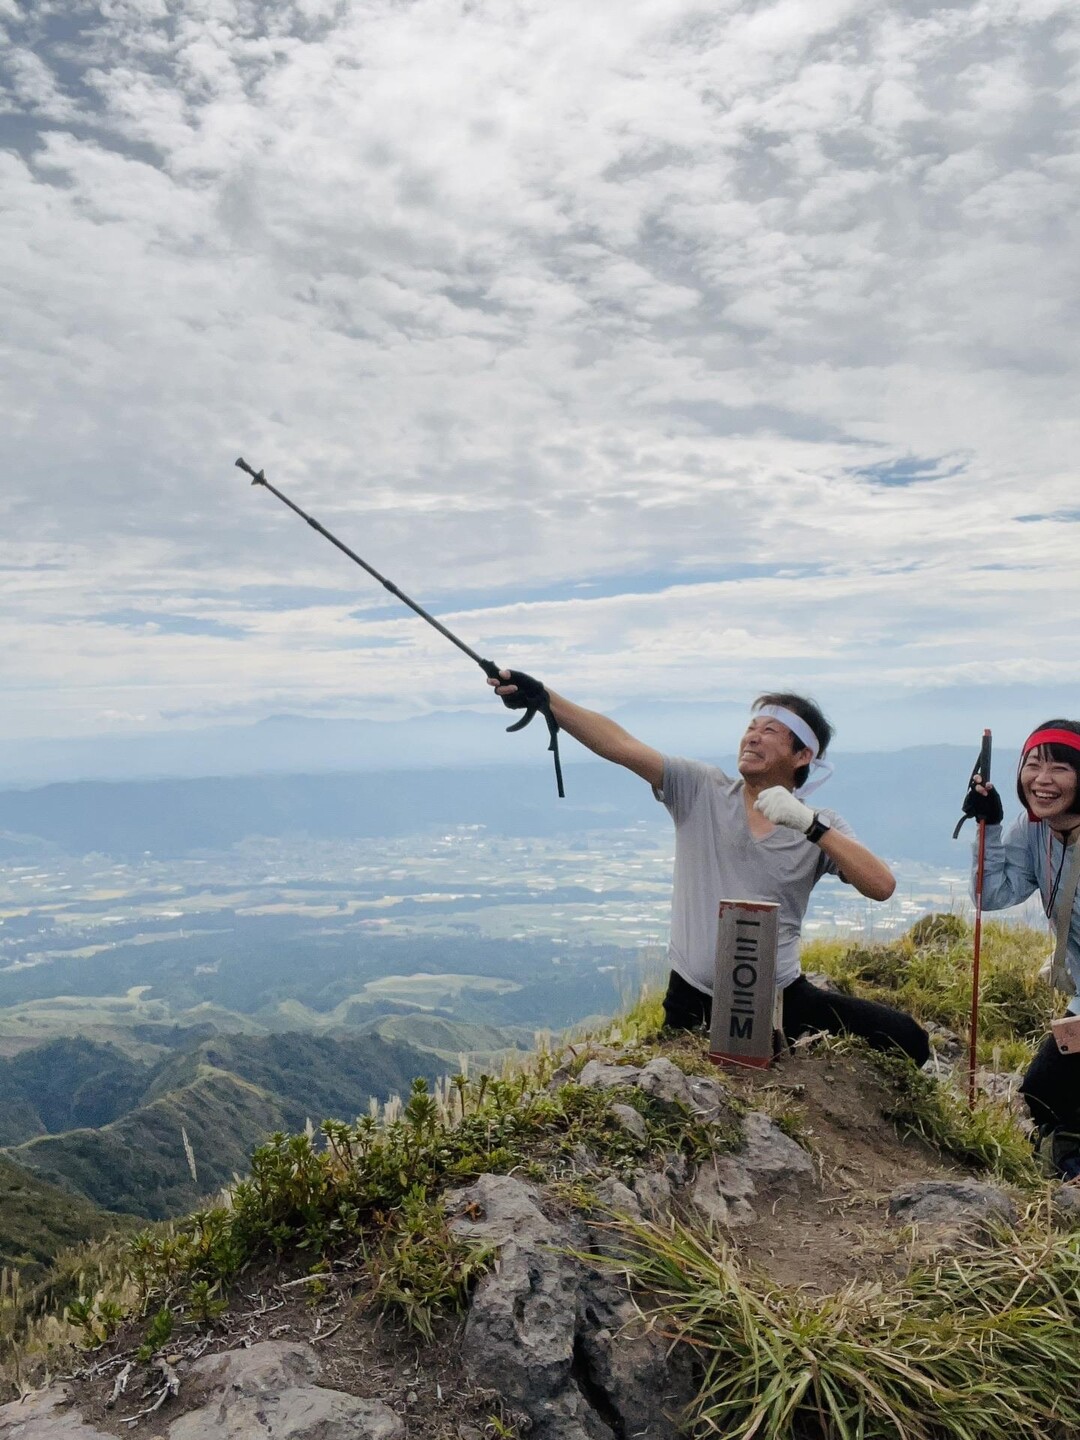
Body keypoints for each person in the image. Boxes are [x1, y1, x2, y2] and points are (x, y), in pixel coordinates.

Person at [488, 669, 930, 1065]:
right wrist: (546, 697)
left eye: (770, 730)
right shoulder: (701, 789)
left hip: (777, 998)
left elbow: (881, 885)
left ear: (802, 756)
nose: (751, 737)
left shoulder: (820, 826)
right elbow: (620, 745)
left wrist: (809, 825)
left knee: (909, 1038)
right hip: (692, 998)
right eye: (750, 728)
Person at [965, 719, 1080, 1179]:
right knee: (1042, 1091)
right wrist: (988, 826)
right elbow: (990, 895)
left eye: (1061, 768)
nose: (1043, 779)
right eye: (1033, 765)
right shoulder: (1032, 832)